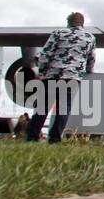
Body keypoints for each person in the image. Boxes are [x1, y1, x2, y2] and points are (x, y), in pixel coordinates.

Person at [25, 12, 97, 144]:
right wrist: (88, 71)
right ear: (82, 23)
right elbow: (91, 58)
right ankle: (55, 138)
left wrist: (41, 72)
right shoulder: (89, 37)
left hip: (53, 75)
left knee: (43, 107)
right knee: (64, 109)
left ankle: (32, 136)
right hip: (73, 78)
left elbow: (46, 53)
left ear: (68, 22)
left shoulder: (58, 33)